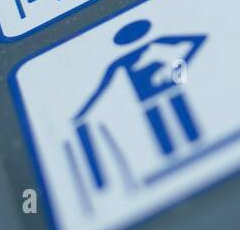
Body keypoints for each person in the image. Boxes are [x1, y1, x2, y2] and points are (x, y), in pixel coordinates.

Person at [72, 20, 207, 177]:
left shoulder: (159, 44)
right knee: (166, 143)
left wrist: (177, 72)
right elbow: (102, 89)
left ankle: (198, 148)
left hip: (172, 93)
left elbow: (198, 40)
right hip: (148, 104)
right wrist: (82, 113)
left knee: (191, 131)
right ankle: (174, 166)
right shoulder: (122, 61)